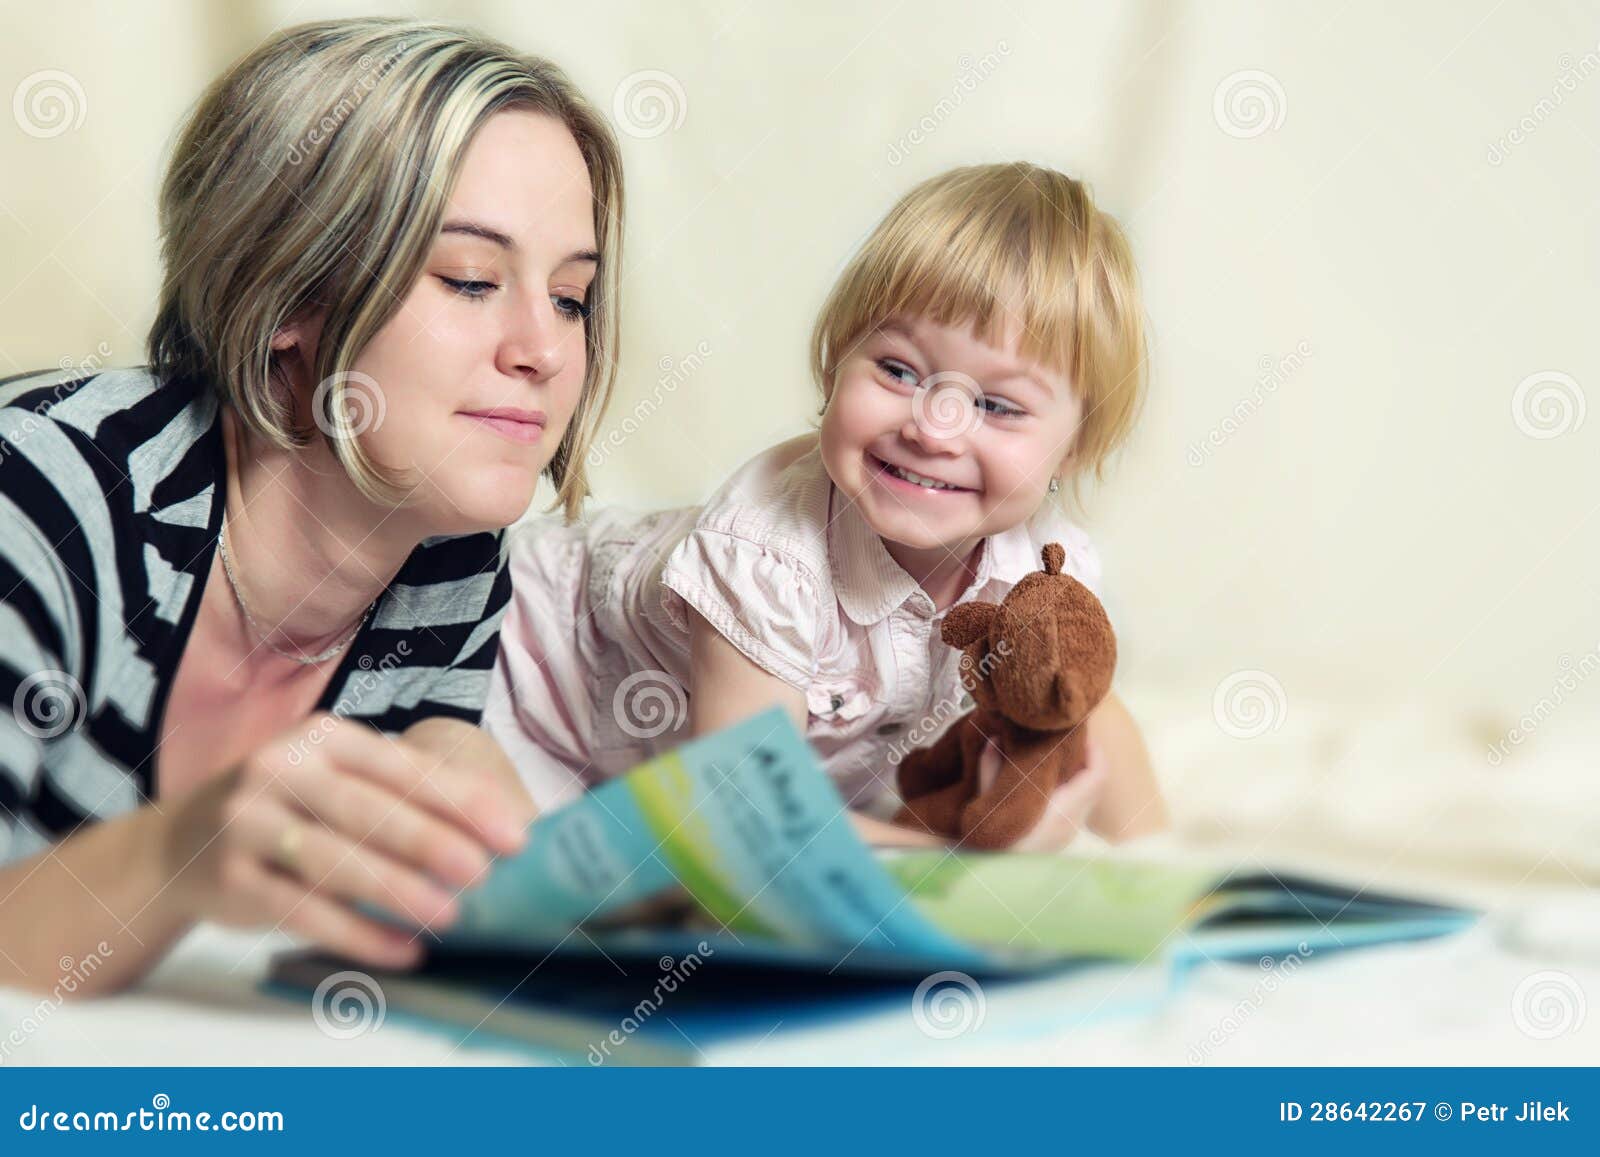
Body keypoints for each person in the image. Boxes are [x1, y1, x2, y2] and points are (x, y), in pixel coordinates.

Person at [0, 17, 625, 994]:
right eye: (468, 279)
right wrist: (177, 856)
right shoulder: (39, 498)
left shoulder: (450, 553)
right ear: (287, 291)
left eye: (572, 298)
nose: (542, 351)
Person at [485, 163, 1167, 850]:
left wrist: (1153, 863)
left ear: (1075, 445)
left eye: (996, 405)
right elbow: (745, 819)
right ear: (837, 362)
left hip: (713, 772)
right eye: (899, 371)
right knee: (518, 875)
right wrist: (961, 857)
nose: (934, 427)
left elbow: (1084, 708)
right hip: (528, 696)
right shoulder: (767, 555)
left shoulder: (1047, 566)